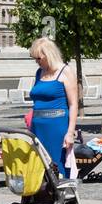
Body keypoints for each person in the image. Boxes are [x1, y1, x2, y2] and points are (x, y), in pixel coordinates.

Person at [29, 36, 78, 178]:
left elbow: (73, 104)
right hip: (37, 127)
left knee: (56, 165)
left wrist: (70, 132)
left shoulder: (65, 71)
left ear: (48, 55)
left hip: (56, 127)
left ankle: (60, 197)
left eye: (39, 58)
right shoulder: (39, 73)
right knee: (38, 168)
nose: (37, 62)